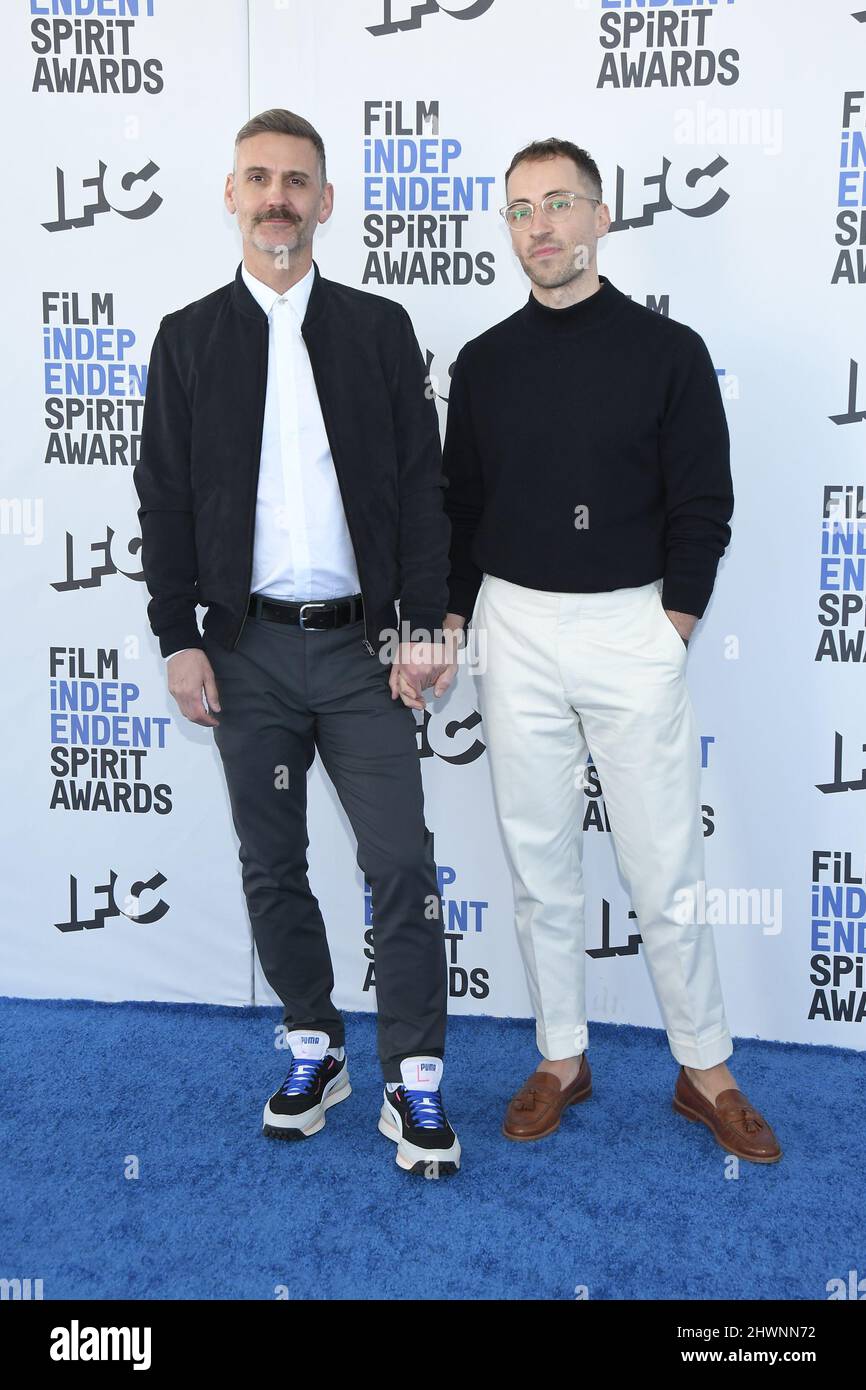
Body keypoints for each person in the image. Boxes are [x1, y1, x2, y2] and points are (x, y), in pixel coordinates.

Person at [414, 137, 781, 1163]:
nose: (539, 227)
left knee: (662, 860)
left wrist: (670, 631)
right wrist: (448, 625)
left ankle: (704, 1068)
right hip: (515, 626)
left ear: (599, 216)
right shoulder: (482, 362)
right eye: (520, 209)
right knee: (538, 862)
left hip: (633, 625)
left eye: (558, 204)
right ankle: (560, 1055)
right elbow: (461, 507)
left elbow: (702, 504)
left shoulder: (667, 353)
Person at [134, 108, 460, 1176]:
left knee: (401, 861)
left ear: (325, 202)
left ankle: (412, 1076)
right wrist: (178, 637)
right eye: (259, 178)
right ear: (230, 194)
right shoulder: (188, 338)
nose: (278, 197)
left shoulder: (377, 328)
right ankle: (312, 1044)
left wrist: (418, 624)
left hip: (366, 652)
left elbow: (421, 490)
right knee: (272, 861)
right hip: (247, 653)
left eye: (297, 181)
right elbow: (166, 500)